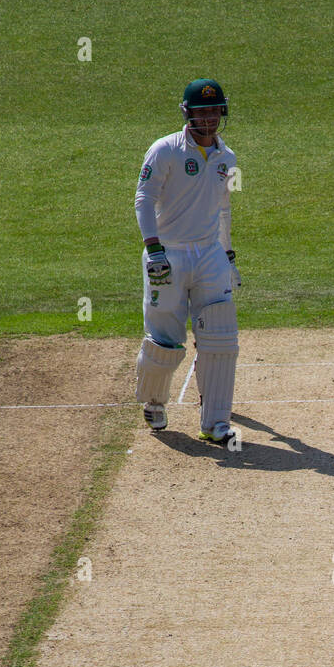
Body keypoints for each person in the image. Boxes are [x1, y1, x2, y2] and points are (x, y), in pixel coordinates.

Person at [134, 79, 241, 445]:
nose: (209, 118)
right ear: (188, 113)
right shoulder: (164, 150)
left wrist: (227, 255)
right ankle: (154, 401)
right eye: (202, 111)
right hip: (170, 253)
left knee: (220, 336)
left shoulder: (227, 158)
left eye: (214, 111)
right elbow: (143, 200)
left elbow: (223, 209)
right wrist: (154, 249)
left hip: (209, 253)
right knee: (166, 340)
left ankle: (216, 423)